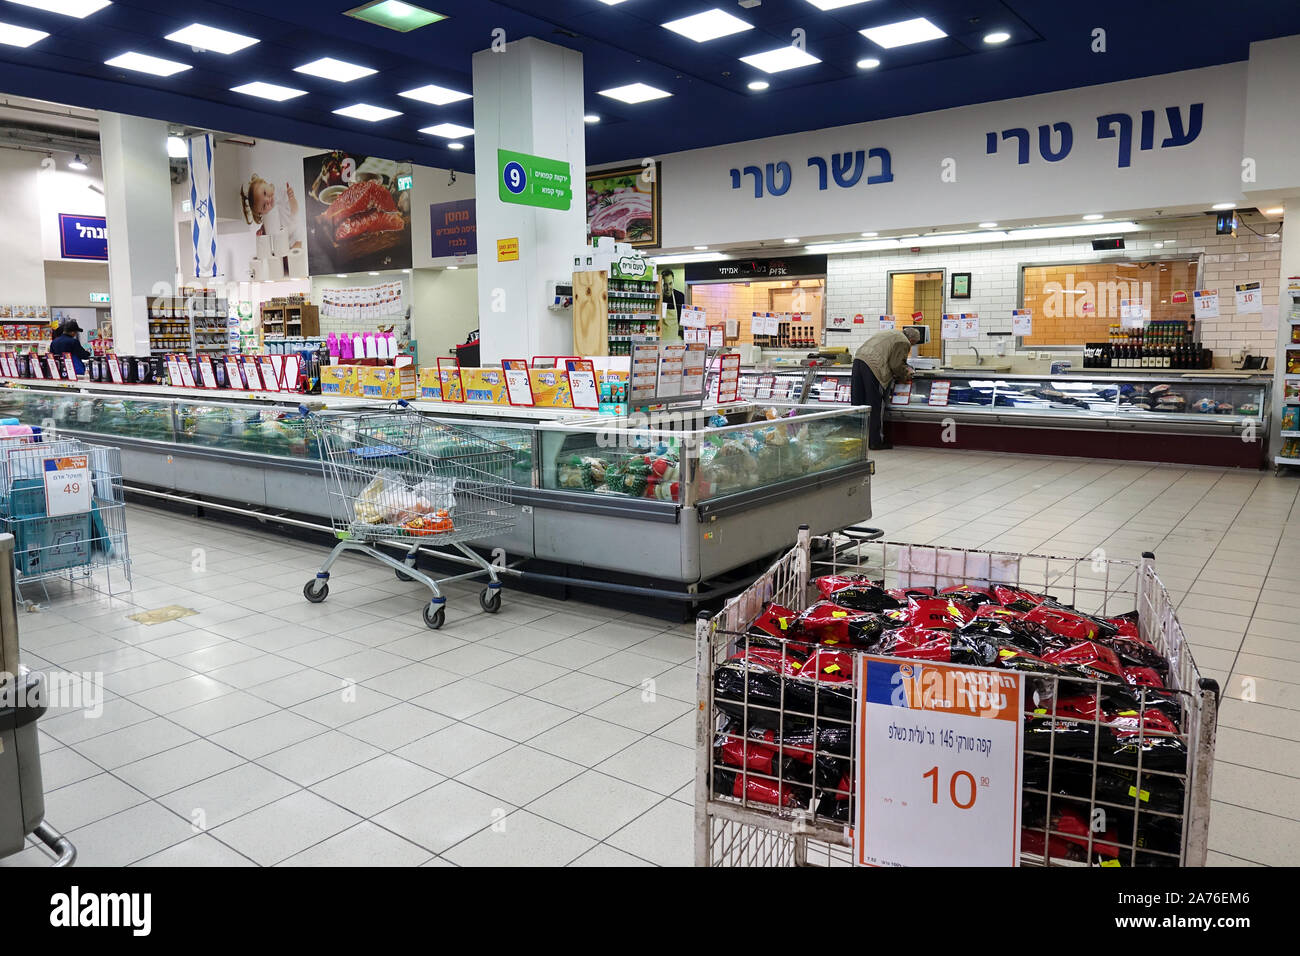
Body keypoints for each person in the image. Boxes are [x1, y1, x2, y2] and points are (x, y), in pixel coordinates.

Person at [851, 326, 921, 450]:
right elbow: (896, 364)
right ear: (911, 339)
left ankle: (856, 441)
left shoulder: (891, 333)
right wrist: (907, 374)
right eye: (914, 343)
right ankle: (875, 442)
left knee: (859, 404)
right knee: (875, 405)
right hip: (874, 367)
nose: (912, 346)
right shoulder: (903, 341)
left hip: (858, 360)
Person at [240, 174, 304, 250]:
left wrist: (291, 198)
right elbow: (268, 225)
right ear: (262, 213)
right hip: (283, 241)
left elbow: (295, 210)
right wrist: (262, 230)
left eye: (264, 193)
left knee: (296, 249)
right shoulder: (267, 215)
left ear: (265, 183)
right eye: (264, 206)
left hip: (294, 232)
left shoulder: (281, 192)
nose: (267, 200)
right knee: (282, 255)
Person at [658, 267, 685, 344]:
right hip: (660, 341)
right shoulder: (657, 297)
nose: (668, 288)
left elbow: (683, 322)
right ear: (661, 284)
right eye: (665, 285)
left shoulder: (680, 297)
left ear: (673, 282)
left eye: (670, 284)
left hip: (674, 342)